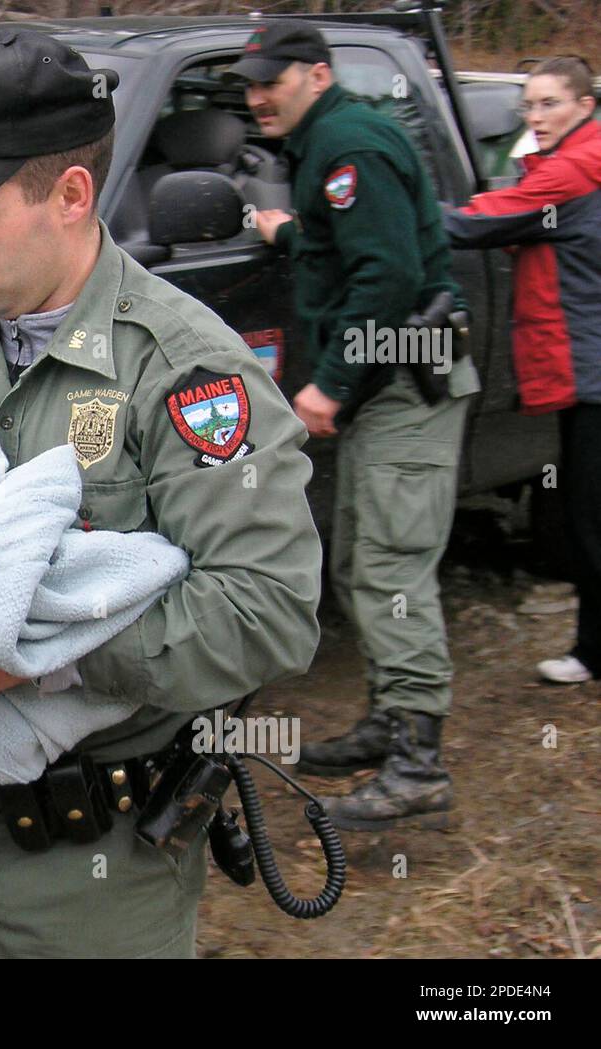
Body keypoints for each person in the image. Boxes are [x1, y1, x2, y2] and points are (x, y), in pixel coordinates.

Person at [0, 27, 322, 958]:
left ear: (72, 195)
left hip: (88, 866)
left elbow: (266, 609)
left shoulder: (187, 374)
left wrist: (35, 657)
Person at [229, 23, 481, 830]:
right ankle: (387, 721)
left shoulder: (348, 146)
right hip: (388, 386)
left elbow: (390, 273)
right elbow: (350, 246)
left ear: (316, 73)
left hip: (401, 381)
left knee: (389, 568)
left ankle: (417, 765)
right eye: (251, 85)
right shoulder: (330, 141)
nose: (257, 97)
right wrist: (287, 232)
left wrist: (330, 386)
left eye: (273, 81)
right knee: (366, 559)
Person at [443, 56, 601, 686]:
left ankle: (593, 652)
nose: (535, 117)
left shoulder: (574, 169)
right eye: (528, 106)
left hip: (591, 371)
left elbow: (484, 220)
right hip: (584, 370)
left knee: (590, 519)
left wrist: (395, 214)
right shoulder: (568, 163)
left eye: (550, 105)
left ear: (584, 106)